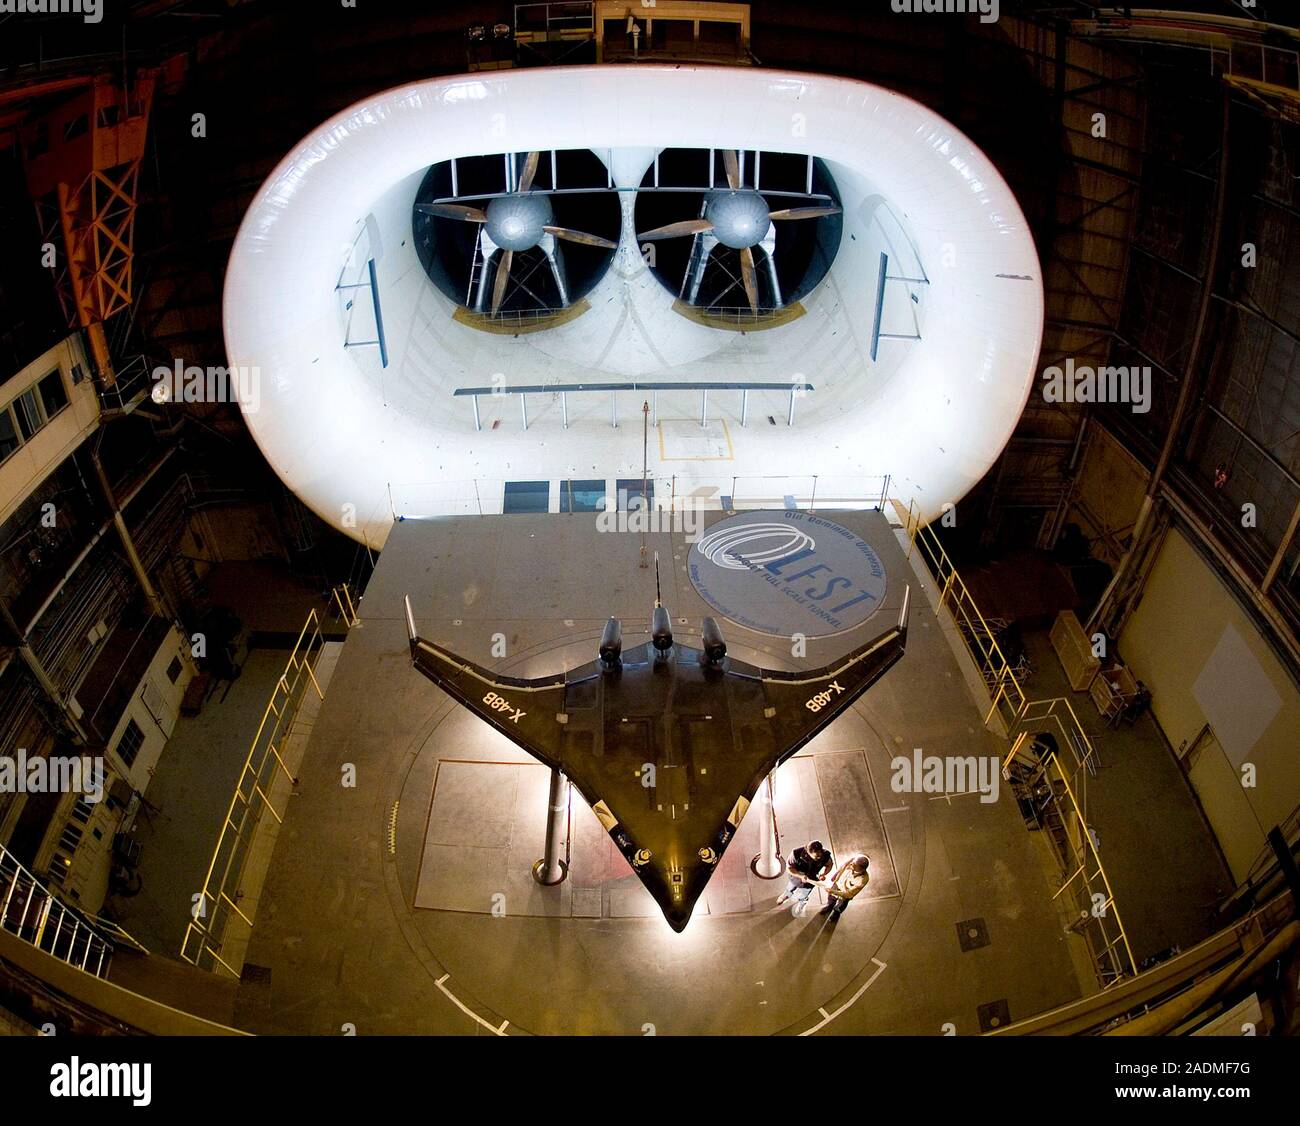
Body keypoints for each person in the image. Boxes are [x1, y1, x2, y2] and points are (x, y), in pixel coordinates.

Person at [776, 840, 833, 910]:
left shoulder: (825, 855)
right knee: (790, 888)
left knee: (804, 894)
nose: (819, 858)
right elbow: (789, 868)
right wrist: (800, 876)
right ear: (808, 852)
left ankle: (802, 903)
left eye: (820, 855)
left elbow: (829, 865)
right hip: (795, 878)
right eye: (817, 856)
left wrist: (824, 874)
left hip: (811, 880)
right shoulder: (796, 854)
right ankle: (785, 896)